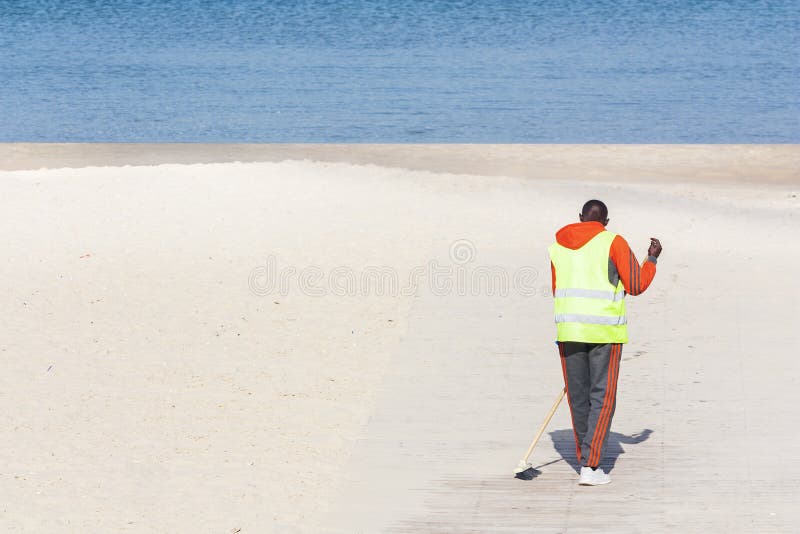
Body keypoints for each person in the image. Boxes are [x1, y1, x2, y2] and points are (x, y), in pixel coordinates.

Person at [548, 199, 662, 486]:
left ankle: (586, 458)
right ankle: (591, 465)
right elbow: (636, 284)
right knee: (603, 396)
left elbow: (556, 289)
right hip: (604, 332)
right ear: (606, 222)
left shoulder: (557, 246)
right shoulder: (613, 241)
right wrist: (652, 259)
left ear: (579, 218)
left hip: (569, 330)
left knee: (578, 397)